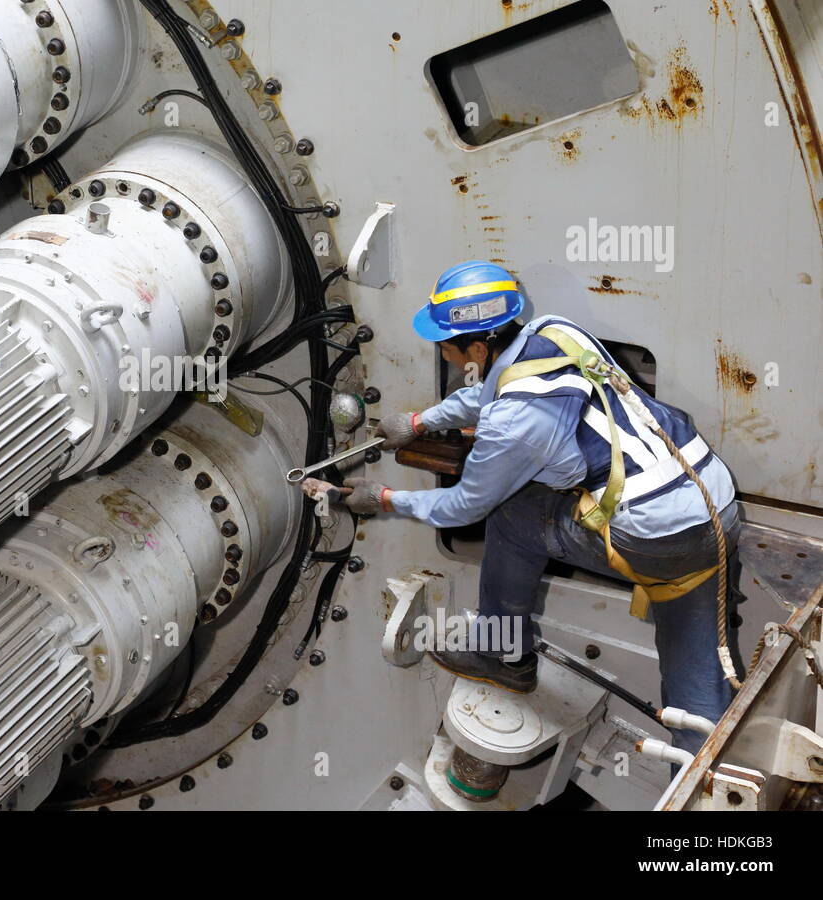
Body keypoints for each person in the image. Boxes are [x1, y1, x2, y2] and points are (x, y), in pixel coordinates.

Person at [313, 260, 741, 754]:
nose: (448, 358)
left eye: (448, 348)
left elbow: (463, 505)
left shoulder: (512, 424)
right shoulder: (552, 330)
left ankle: (503, 653)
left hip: (657, 536)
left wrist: (385, 499)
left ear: (478, 346)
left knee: (514, 516)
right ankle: (707, 784)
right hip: (710, 499)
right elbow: (497, 386)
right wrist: (421, 421)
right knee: (697, 678)